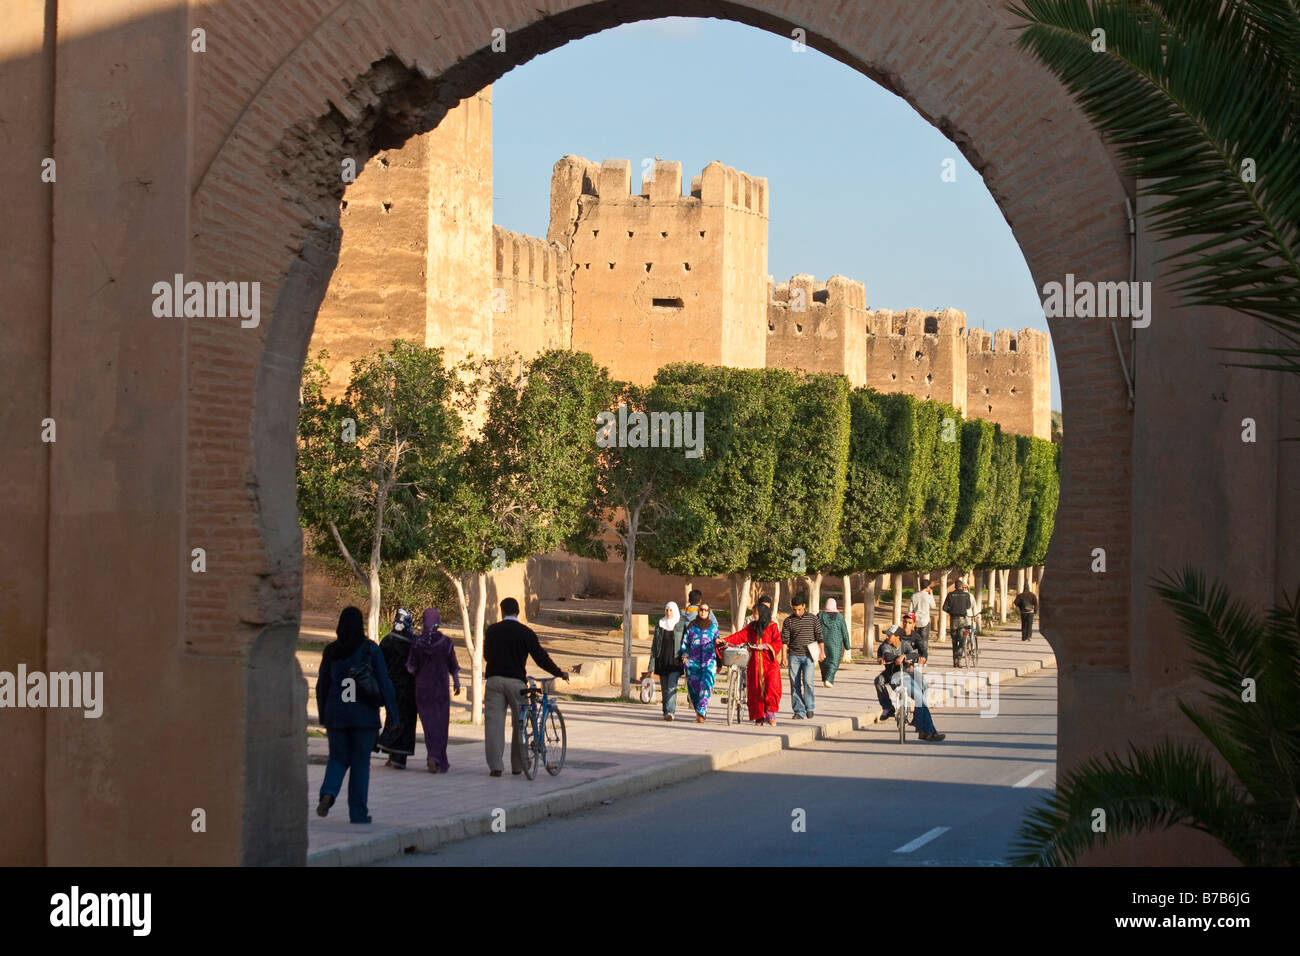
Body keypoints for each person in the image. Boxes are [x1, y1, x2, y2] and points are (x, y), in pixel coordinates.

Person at [316, 606, 400, 823]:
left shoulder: (331, 651)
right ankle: (358, 813)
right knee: (360, 764)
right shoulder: (370, 650)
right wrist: (393, 714)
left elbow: (322, 685)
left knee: (337, 758)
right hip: (363, 717)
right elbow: (385, 683)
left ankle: (328, 792)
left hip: (337, 714)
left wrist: (323, 714)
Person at [482, 597, 568, 777]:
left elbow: (487, 655)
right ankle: (518, 765)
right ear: (518, 612)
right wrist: (559, 672)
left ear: (502, 611)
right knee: (520, 724)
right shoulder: (525, 632)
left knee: (493, 725)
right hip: (517, 684)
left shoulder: (492, 630)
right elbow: (540, 657)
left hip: (495, 681)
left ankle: (496, 767)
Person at [406, 607, 461, 773]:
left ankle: (432, 754)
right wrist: (457, 683)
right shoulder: (446, 643)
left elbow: (411, 667)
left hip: (422, 689)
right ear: (438, 621)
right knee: (441, 724)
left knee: (428, 724)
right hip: (440, 689)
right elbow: (453, 666)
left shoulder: (417, 642)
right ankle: (436, 757)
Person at [874, 619, 945, 741]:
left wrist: (905, 656)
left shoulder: (905, 645)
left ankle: (924, 730)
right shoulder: (886, 645)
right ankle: (927, 730)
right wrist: (897, 658)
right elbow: (886, 655)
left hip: (906, 675)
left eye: (889, 635)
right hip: (894, 677)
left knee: (921, 698)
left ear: (897, 637)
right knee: (879, 681)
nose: (887, 637)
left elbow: (915, 655)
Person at [721, 600, 782, 725]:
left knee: (772, 687)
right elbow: (739, 636)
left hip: (769, 663)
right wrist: (724, 640)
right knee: (755, 690)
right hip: (754, 663)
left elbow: (778, 642)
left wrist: (767, 646)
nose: (754, 616)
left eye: (756, 613)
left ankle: (770, 711)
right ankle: (759, 716)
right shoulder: (751, 627)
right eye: (754, 613)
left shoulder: (772, 626)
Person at [375, 608, 417, 769]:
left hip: (391, 687)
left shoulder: (388, 640)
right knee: (406, 722)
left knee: (393, 719)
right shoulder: (414, 642)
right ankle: (399, 758)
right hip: (409, 688)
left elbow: (380, 663)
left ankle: (392, 753)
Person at [781, 593, 823, 719]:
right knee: (794, 684)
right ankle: (799, 710)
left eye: (799, 609)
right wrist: (783, 657)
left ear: (804, 606)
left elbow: (820, 636)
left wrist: (822, 652)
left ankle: (810, 707)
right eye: (794, 609)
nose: (797, 612)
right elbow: (785, 641)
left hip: (809, 656)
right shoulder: (788, 621)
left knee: (808, 682)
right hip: (794, 656)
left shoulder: (813, 619)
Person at [678, 602, 720, 722]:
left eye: (706, 610)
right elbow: (684, 643)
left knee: (706, 685)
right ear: (698, 611)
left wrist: (719, 661)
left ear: (709, 612)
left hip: (709, 661)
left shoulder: (713, 627)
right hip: (693, 662)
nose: (703, 612)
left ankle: (701, 711)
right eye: (701, 610)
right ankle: (699, 710)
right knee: (694, 688)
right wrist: (685, 654)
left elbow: (718, 644)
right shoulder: (691, 626)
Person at [650, 601, 684, 720]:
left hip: (675, 661)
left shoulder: (680, 625)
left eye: (670, 610)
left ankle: (670, 712)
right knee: (664, 688)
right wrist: (651, 665)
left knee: (671, 686)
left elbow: (685, 643)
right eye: (667, 610)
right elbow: (655, 645)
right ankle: (665, 711)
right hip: (662, 660)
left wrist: (685, 654)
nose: (668, 613)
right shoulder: (660, 625)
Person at [817, 597, 850, 687]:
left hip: (822, 643)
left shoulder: (820, 616)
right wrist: (847, 646)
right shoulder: (839, 617)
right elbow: (844, 632)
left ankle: (825, 678)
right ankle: (828, 679)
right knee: (834, 662)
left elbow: (814, 629)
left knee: (823, 661)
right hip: (835, 644)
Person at [943, 578, 975, 667]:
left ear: (955, 586)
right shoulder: (966, 595)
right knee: (961, 640)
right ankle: (959, 660)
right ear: (961, 586)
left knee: (954, 641)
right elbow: (968, 606)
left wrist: (951, 612)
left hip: (953, 620)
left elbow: (944, 608)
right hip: (962, 620)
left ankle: (954, 660)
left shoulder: (950, 595)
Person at [909, 579, 936, 648]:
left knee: (916, 640)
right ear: (927, 587)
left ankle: (916, 656)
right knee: (924, 641)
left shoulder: (914, 596)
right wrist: (931, 594)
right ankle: (923, 656)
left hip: (916, 620)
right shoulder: (928, 596)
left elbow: (910, 610)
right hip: (925, 621)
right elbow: (933, 606)